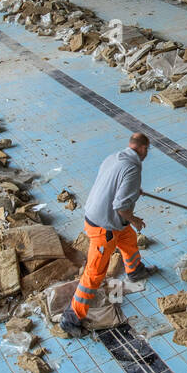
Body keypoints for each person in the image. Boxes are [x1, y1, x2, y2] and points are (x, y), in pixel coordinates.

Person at [62, 132, 156, 337]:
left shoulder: (115, 157)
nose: (147, 152)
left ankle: (135, 271)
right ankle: (71, 318)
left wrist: (132, 189)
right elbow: (121, 206)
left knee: (129, 239)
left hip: (101, 216)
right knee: (95, 273)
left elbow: (112, 181)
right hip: (104, 227)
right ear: (142, 148)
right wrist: (136, 220)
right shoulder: (132, 168)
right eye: (147, 149)